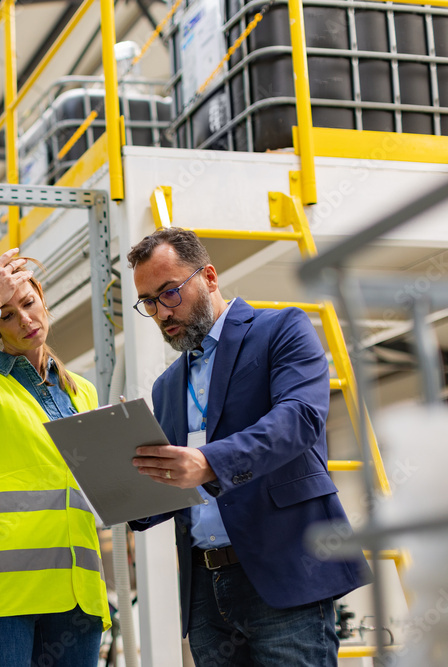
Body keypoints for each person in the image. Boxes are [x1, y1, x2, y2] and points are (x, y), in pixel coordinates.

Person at [125, 228, 369, 666]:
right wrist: (124, 482)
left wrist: (209, 462)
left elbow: (299, 419)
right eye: (149, 302)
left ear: (209, 277)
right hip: (205, 589)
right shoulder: (166, 386)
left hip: (285, 570)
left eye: (169, 292)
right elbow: (178, 478)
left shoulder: (282, 329)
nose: (162, 312)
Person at [0, 247, 111, 667]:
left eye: (29, 304)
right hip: (2, 599)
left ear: (43, 299)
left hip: (77, 597)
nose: (26, 321)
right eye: (8, 315)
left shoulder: (82, 392)